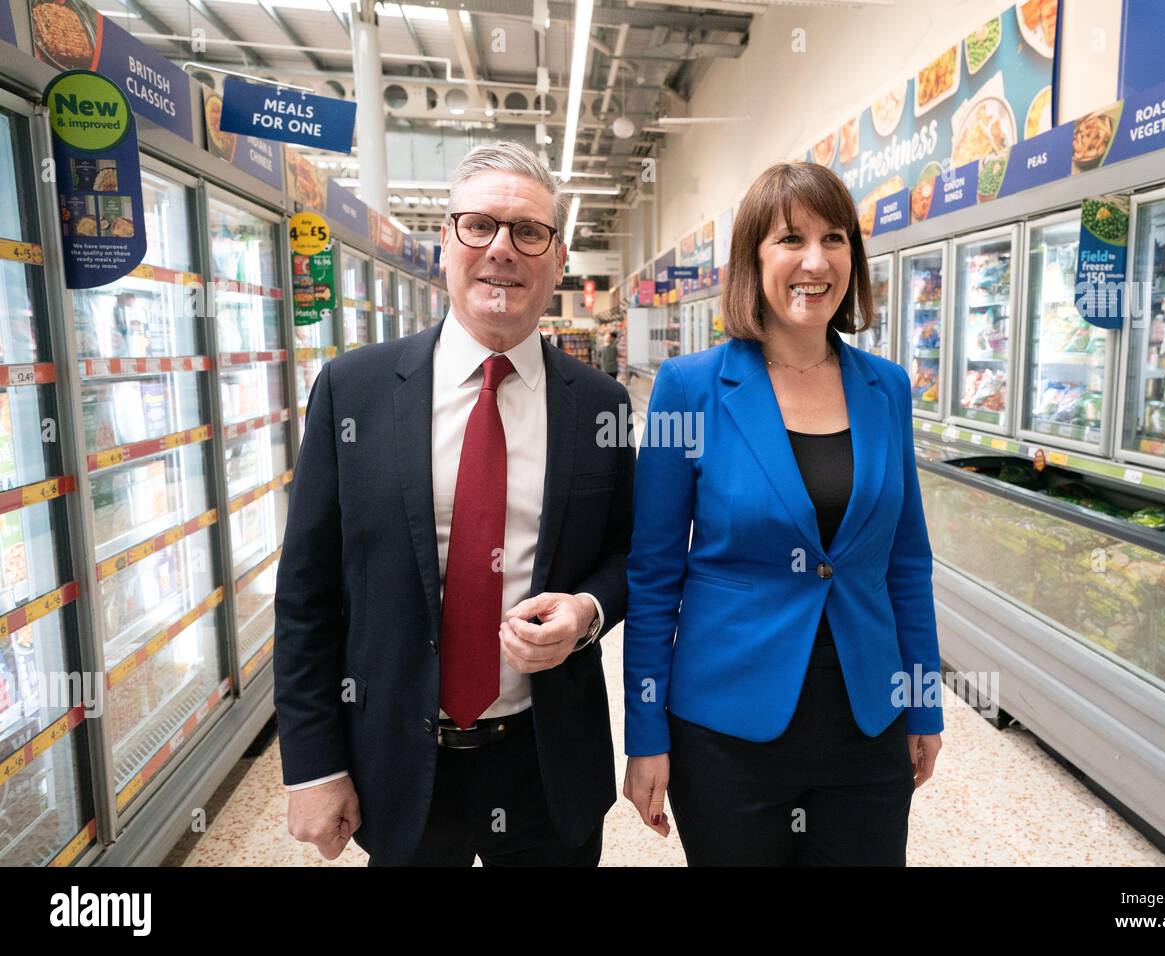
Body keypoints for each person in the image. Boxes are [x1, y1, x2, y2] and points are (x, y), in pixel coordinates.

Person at [275, 141, 634, 867]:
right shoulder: (354, 391)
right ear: (446, 241)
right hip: (396, 766)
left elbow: (629, 554)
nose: (502, 249)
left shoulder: (601, 406)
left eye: (528, 232)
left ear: (558, 259)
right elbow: (307, 593)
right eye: (480, 226)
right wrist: (313, 766)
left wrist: (587, 613)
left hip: (548, 765)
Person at [621, 162, 943, 866]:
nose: (815, 261)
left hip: (867, 719)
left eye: (834, 239)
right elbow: (653, 575)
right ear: (753, 258)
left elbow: (906, 562)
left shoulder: (886, 388)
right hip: (726, 730)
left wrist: (923, 701)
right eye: (790, 239)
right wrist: (644, 734)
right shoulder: (691, 389)